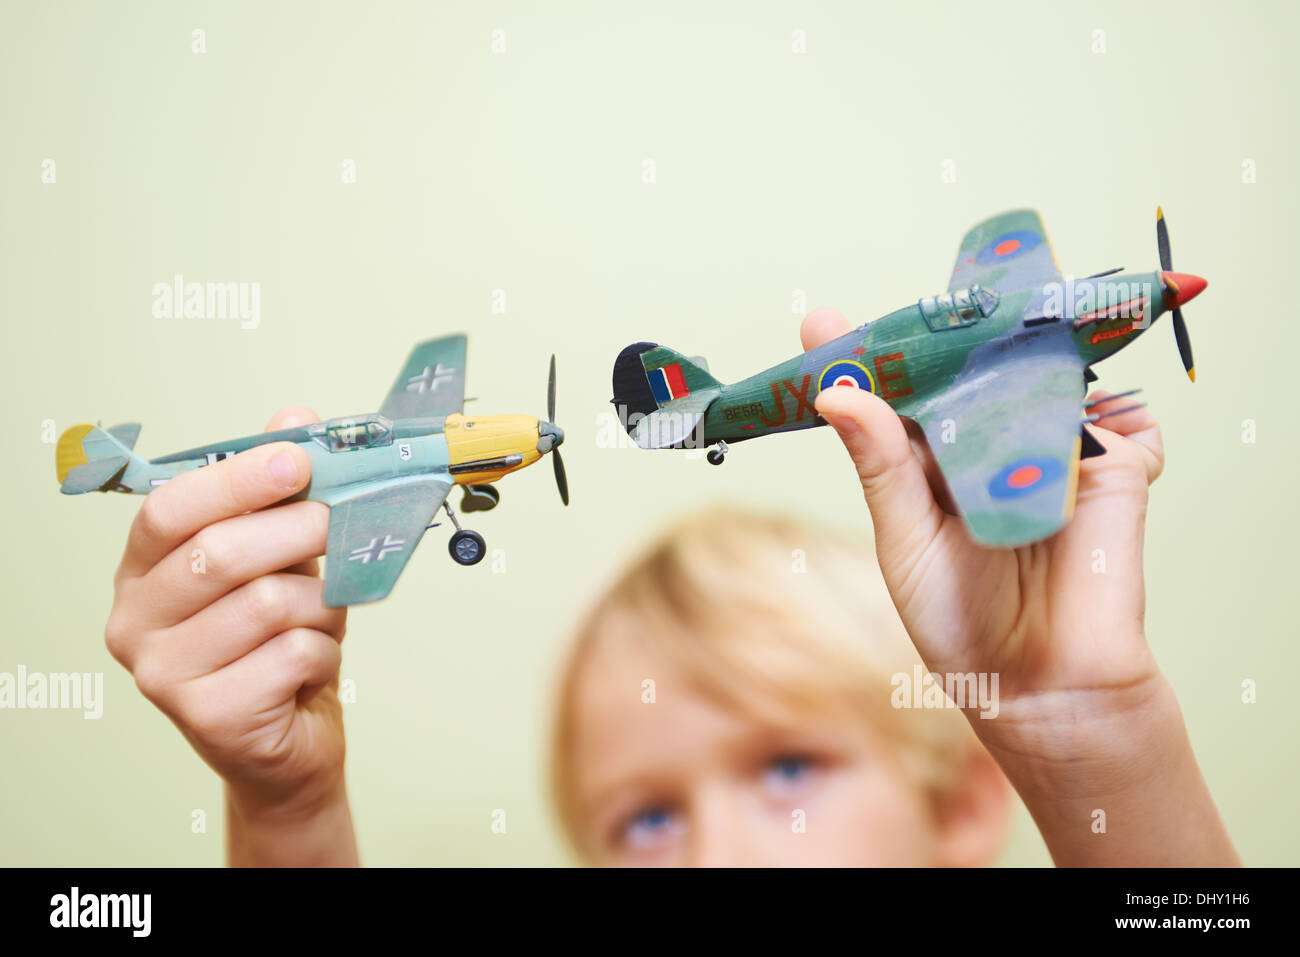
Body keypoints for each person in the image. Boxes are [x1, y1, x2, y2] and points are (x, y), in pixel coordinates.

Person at [101, 309, 1239, 866]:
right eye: (643, 820)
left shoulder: (1058, 752)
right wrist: (287, 813)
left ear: (962, 808)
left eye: (788, 767)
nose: (719, 858)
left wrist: (1087, 739)